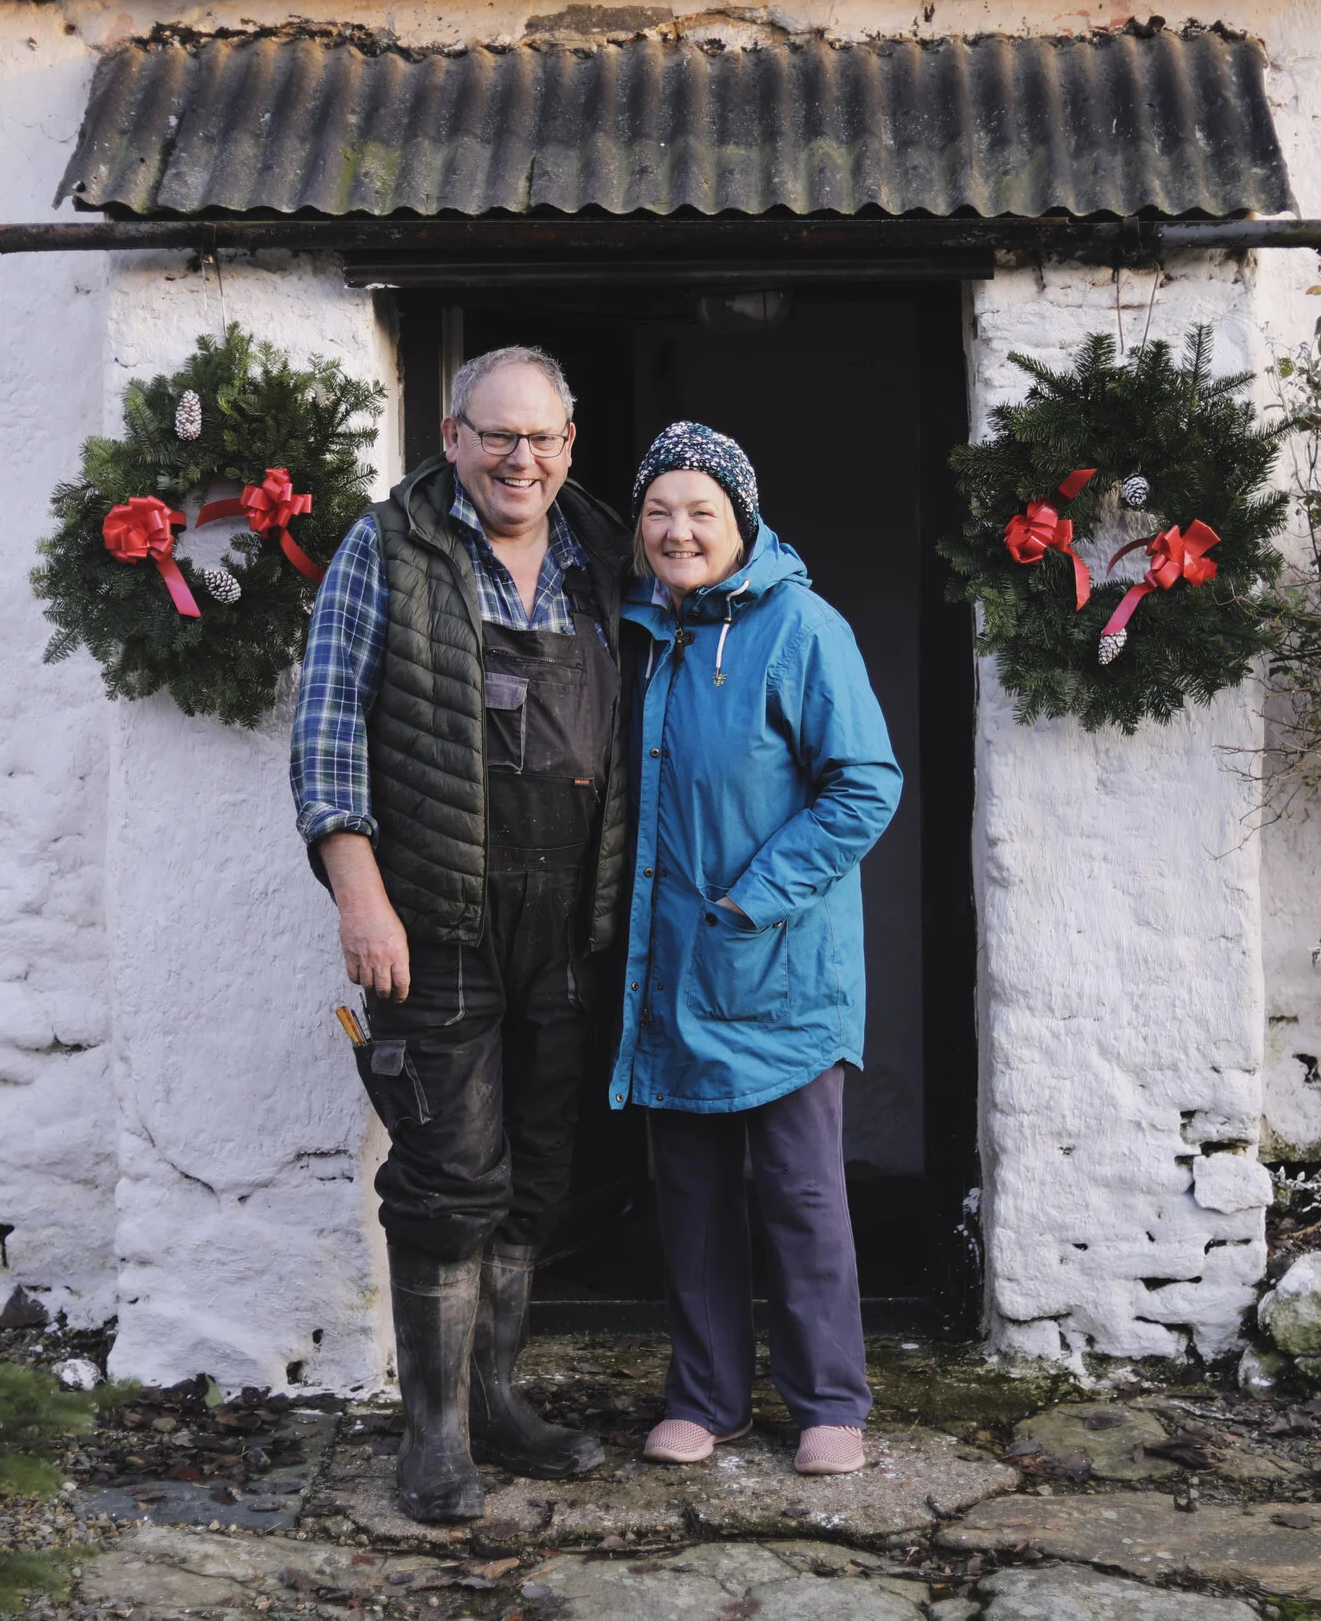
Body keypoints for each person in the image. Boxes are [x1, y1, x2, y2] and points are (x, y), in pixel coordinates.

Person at [290, 346, 632, 1523]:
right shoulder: (387, 548)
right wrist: (359, 893)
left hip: (567, 920)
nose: (518, 459)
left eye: (540, 437)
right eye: (496, 435)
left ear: (569, 444)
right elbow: (327, 726)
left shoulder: (600, 554)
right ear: (451, 437)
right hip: (432, 914)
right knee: (446, 1172)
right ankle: (432, 1434)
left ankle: (496, 1399)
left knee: (536, 1169)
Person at [614, 421, 902, 1478]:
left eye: (701, 511)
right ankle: (706, 1397)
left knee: (800, 1193)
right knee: (691, 1194)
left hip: (780, 966)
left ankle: (829, 1401)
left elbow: (865, 783)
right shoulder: (639, 628)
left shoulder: (802, 628)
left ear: (742, 521)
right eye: (658, 511)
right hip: (673, 967)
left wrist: (751, 899)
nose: (678, 531)